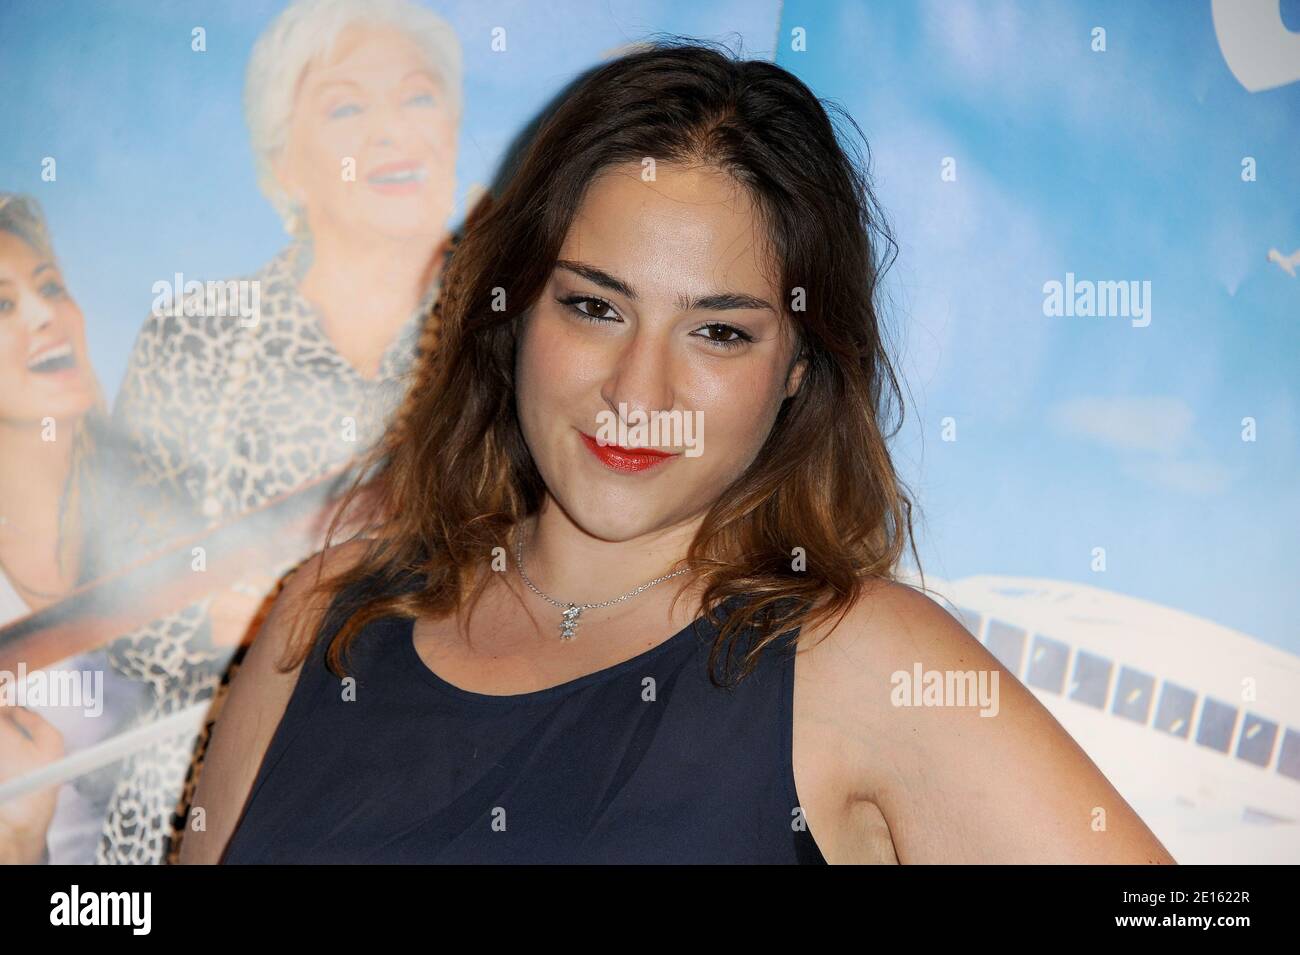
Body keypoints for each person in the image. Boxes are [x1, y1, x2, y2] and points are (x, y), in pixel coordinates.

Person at [184, 40, 1176, 864]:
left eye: (718, 332)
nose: (637, 392)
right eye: (593, 306)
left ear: (797, 367)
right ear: (514, 310)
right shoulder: (324, 620)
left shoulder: (855, 663)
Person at [97, 0, 462, 864]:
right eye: (345, 108)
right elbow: (126, 609)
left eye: (416, 97)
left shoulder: (517, 336)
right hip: (198, 793)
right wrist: (253, 617)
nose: (391, 133)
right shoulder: (196, 334)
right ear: (279, 167)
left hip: (435, 775)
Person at [0, 193, 156, 864]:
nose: (44, 316)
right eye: (2, 306)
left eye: (50, 287)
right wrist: (20, 838)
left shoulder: (166, 489)